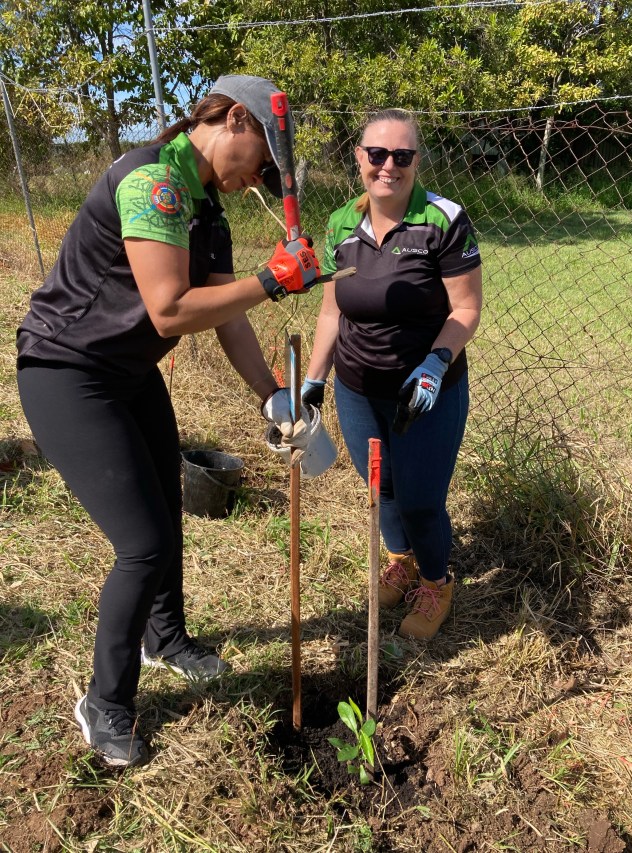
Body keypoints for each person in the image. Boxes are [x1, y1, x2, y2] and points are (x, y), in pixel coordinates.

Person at [16, 75, 320, 769]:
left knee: (166, 511)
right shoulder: (154, 183)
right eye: (261, 164)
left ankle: (167, 638)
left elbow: (224, 310)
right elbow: (170, 309)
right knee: (143, 542)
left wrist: (273, 393)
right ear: (235, 119)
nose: (259, 182)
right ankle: (106, 704)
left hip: (126, 371)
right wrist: (275, 279)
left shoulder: (206, 205)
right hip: (68, 371)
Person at [302, 108, 482, 641]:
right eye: (376, 154)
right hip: (356, 388)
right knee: (381, 491)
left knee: (422, 500)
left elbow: (466, 309)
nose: (388, 166)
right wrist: (313, 381)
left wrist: (435, 361)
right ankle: (400, 561)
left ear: (415, 162)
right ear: (358, 158)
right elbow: (333, 311)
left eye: (401, 156)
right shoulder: (340, 224)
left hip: (427, 390)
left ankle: (435, 582)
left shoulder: (443, 220)